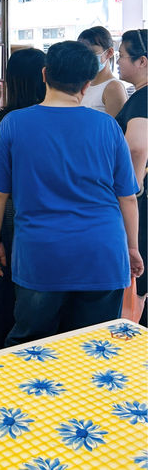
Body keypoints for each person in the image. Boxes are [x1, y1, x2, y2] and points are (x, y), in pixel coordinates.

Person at [0, 40, 143, 345]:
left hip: (42, 255)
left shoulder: (13, 124)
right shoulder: (108, 127)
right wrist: (132, 248)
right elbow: (126, 197)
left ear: (45, 74)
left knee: (32, 346)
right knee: (95, 348)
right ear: (86, 83)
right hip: (103, 253)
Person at [0, 47, 46, 349]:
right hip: (44, 215)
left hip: (10, 215)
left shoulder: (4, 120)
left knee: (6, 285)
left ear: (11, 80)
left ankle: (5, 351)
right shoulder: (53, 116)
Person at [116, 28, 148, 325]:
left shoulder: (142, 98)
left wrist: (132, 190)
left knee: (139, 280)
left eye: (122, 56)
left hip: (142, 201)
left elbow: (137, 147)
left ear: (142, 61)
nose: (118, 62)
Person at [78, 25, 127, 116]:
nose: (85, 58)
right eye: (82, 53)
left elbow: (113, 124)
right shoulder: (82, 85)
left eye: (92, 52)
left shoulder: (114, 88)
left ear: (109, 53)